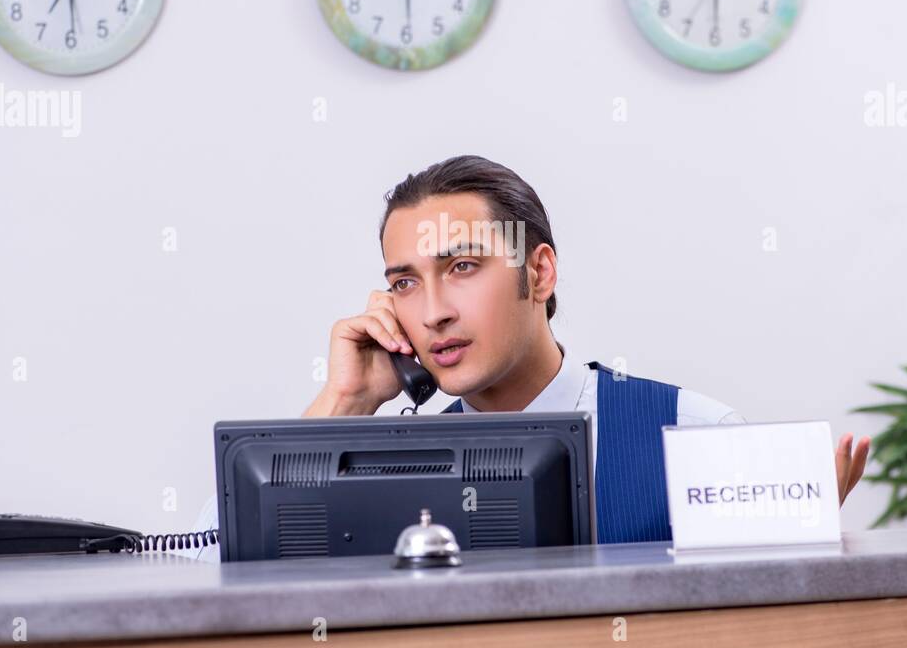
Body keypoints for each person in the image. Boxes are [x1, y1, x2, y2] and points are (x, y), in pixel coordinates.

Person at [180, 155, 869, 561]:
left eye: (463, 266)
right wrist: (347, 403)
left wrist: (787, 545)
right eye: (404, 282)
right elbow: (218, 574)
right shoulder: (384, 458)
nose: (432, 311)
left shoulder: (694, 430)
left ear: (538, 274)